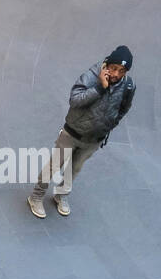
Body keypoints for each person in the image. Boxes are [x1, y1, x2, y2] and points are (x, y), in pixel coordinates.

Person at [28, 46, 135, 219]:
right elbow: (75, 100)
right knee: (54, 165)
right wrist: (100, 88)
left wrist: (108, 126)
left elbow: (123, 109)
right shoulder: (92, 75)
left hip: (93, 140)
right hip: (72, 133)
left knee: (74, 169)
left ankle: (61, 195)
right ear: (108, 63)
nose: (116, 74)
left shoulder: (128, 86)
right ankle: (36, 196)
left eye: (121, 71)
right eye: (114, 68)